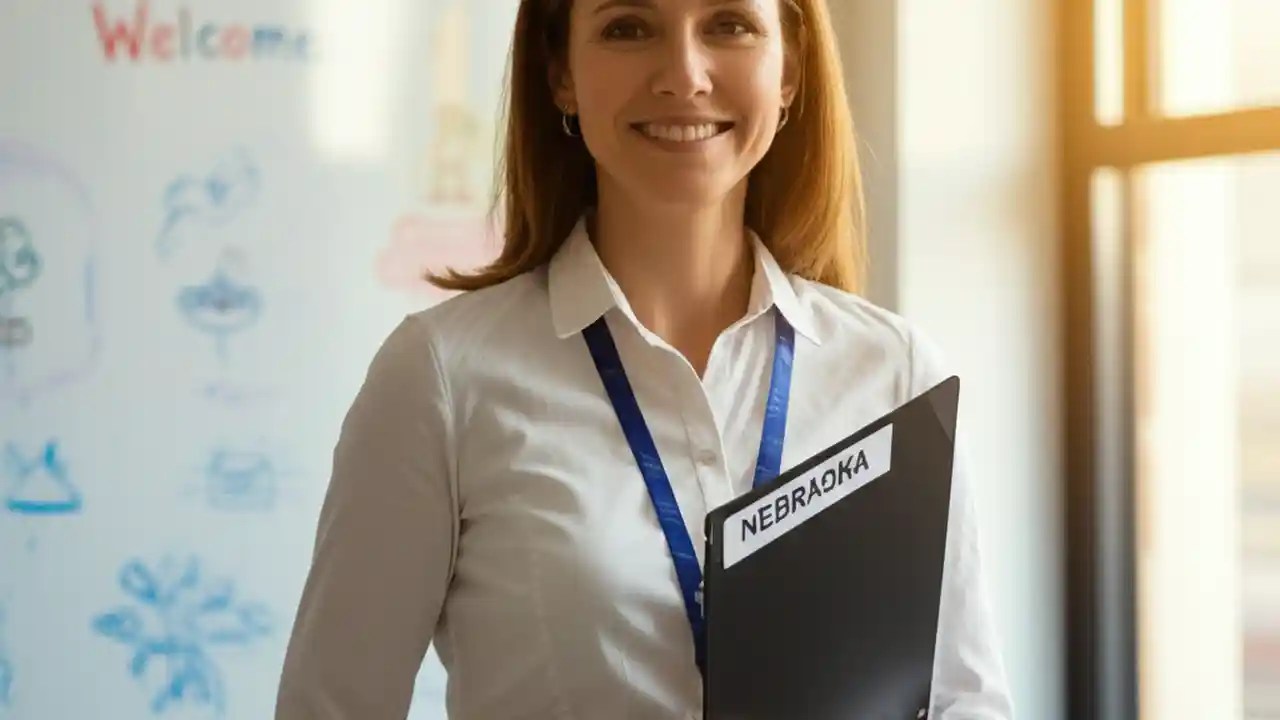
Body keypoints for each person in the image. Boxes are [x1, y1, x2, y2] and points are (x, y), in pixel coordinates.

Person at [275, 0, 1015, 717]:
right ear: (560, 73)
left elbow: (965, 700)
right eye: (628, 28)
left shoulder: (893, 372)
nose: (684, 74)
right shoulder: (442, 376)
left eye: (729, 24)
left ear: (790, 69)